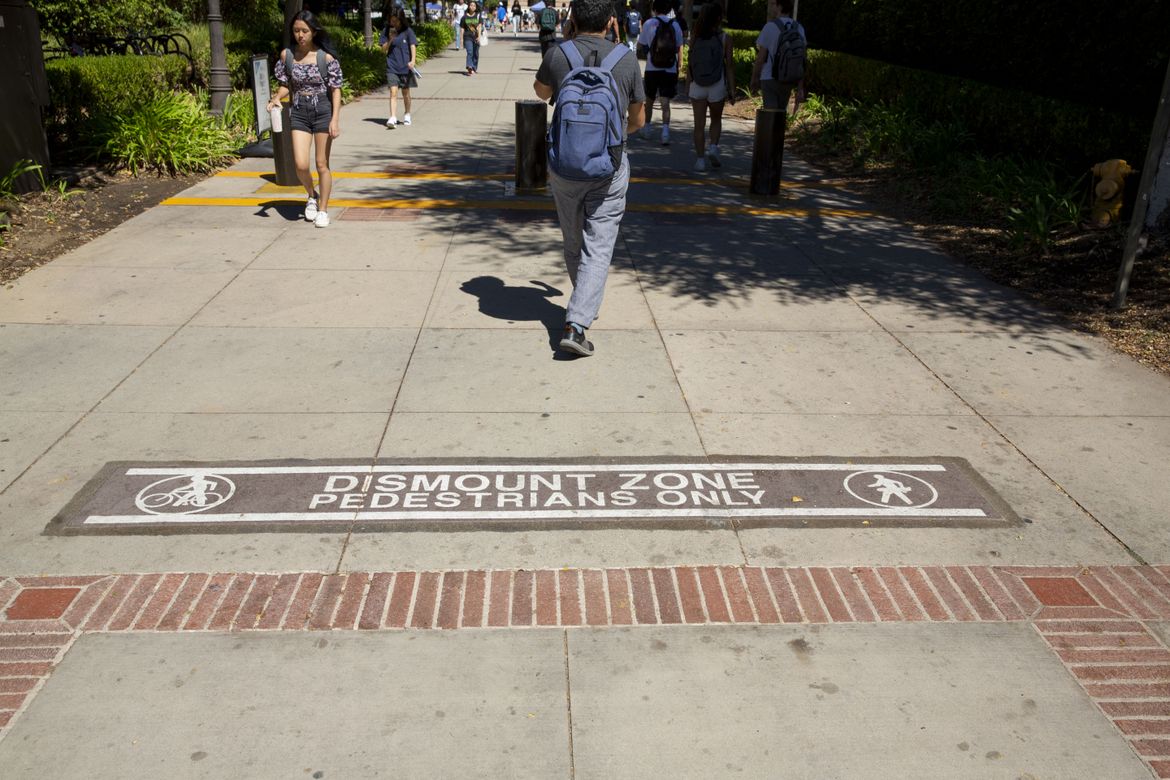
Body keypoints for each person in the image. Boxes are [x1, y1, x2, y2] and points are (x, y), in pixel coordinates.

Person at [534, 0, 645, 357]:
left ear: (572, 19)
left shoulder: (557, 54)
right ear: (612, 21)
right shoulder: (626, 59)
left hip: (564, 165)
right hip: (609, 167)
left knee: (572, 239)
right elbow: (639, 120)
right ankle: (577, 322)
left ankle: (581, 305)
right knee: (598, 244)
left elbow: (541, 93)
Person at [268, 11, 343, 228]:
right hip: (299, 109)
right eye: (296, 31)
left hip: (322, 109)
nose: (300, 35)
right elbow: (285, 85)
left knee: (321, 164)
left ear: (314, 32)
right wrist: (276, 98)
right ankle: (312, 195)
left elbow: (336, 90)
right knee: (300, 165)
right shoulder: (287, 56)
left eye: (304, 31)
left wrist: (335, 119)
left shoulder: (326, 58)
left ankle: (323, 210)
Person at [686, 2, 733, 171]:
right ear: (719, 18)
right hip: (717, 84)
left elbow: (690, 62)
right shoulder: (725, 38)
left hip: (697, 84)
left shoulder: (696, 36)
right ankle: (713, 147)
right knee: (716, 119)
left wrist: (687, 84)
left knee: (699, 124)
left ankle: (700, 160)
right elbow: (729, 66)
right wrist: (732, 90)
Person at [635, 0, 681, 144]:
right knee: (665, 101)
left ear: (654, 9)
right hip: (670, 68)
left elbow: (641, 45)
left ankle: (647, 129)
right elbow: (679, 47)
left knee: (649, 99)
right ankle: (665, 132)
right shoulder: (675, 24)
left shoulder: (649, 23)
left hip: (652, 68)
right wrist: (679, 65)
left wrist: (649, 52)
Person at [750, 0, 807, 114]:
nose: (772, 7)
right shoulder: (799, 28)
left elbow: (761, 58)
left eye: (773, 4)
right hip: (789, 78)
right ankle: (779, 132)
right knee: (781, 115)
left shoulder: (770, 27)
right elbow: (803, 59)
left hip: (769, 77)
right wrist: (800, 86)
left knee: (770, 115)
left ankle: (771, 132)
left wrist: (754, 78)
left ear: (779, 6)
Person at [380, 10, 417, 128]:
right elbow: (383, 49)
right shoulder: (386, 31)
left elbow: (412, 45)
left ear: (401, 19)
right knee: (393, 92)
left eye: (395, 20)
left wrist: (413, 60)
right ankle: (393, 117)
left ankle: (407, 114)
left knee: (405, 93)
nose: (392, 23)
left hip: (405, 67)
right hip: (392, 66)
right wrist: (390, 39)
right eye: (391, 20)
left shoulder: (408, 31)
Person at [461, 0, 483, 74]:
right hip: (467, 37)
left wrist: (479, 37)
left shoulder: (478, 15)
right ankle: (469, 66)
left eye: (474, 6)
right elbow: (462, 28)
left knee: (475, 53)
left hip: (476, 37)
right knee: (470, 51)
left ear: (476, 7)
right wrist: (461, 39)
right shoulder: (464, 17)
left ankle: (474, 67)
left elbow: (480, 26)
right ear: (468, 6)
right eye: (471, 5)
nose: (472, 7)